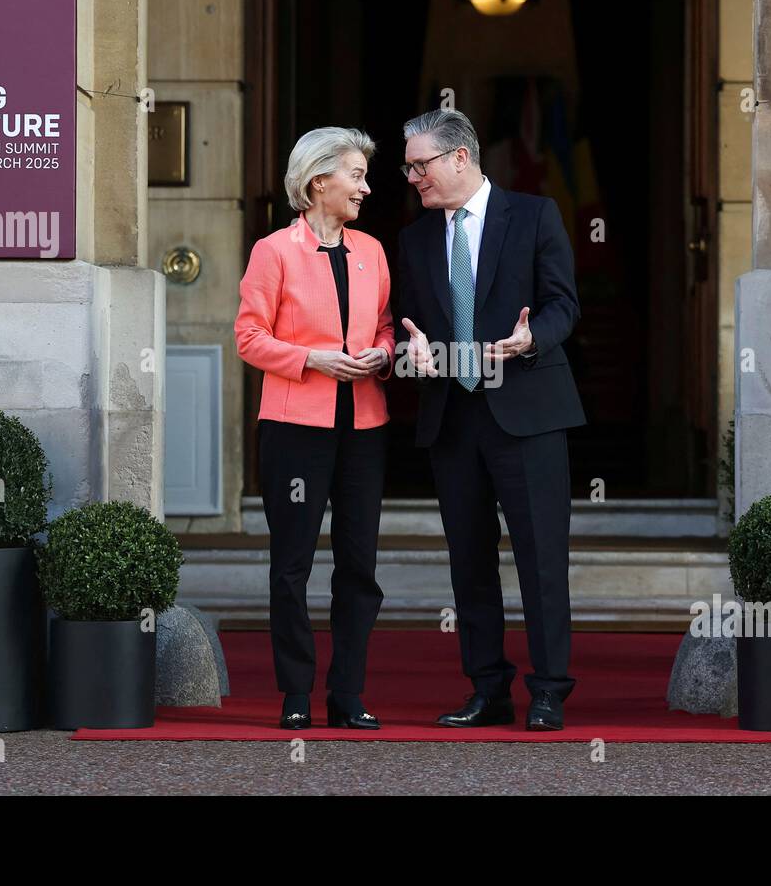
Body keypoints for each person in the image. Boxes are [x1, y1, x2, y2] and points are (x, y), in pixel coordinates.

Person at [396, 108, 585, 731]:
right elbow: (407, 330)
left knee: (540, 558)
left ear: (460, 157)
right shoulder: (415, 238)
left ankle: (550, 689)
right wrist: (410, 354)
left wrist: (531, 342)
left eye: (419, 165)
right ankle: (488, 689)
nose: (412, 177)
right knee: (469, 562)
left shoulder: (534, 215)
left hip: (527, 412)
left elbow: (563, 305)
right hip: (453, 417)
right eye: (408, 166)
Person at [234, 127, 394, 730]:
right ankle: (295, 691)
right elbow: (249, 336)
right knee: (292, 564)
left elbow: (382, 325)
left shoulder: (372, 251)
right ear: (317, 180)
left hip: (364, 426)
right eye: (356, 174)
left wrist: (381, 353)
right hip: (295, 426)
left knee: (359, 565)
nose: (365, 186)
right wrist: (311, 359)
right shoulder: (273, 251)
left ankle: (347, 694)